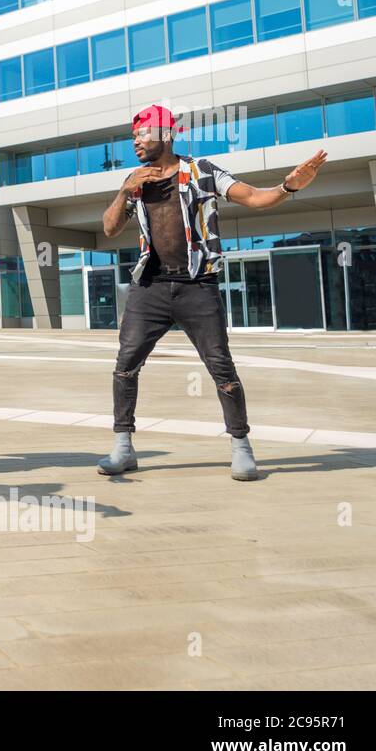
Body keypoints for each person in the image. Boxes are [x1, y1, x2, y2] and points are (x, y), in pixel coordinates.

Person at [98, 105, 327, 481]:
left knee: (220, 365)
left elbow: (253, 196)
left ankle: (241, 447)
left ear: (166, 133)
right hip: (150, 286)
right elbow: (109, 228)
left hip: (197, 284)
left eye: (142, 133)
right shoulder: (135, 180)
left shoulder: (201, 170)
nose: (135, 140)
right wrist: (125, 190)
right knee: (126, 365)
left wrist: (287, 187)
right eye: (133, 136)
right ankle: (123, 447)